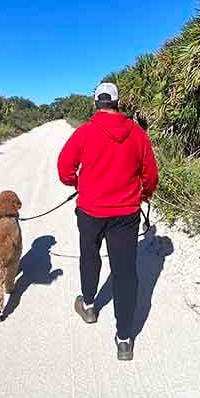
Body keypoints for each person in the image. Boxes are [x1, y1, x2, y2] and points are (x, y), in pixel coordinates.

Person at [57, 82, 158, 360]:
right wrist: (145, 194)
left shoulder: (85, 132)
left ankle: (89, 306)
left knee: (89, 256)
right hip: (125, 214)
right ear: (117, 102)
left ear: (95, 103)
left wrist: (77, 182)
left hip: (90, 210)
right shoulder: (137, 133)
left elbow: (64, 168)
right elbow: (150, 174)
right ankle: (124, 339)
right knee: (125, 273)